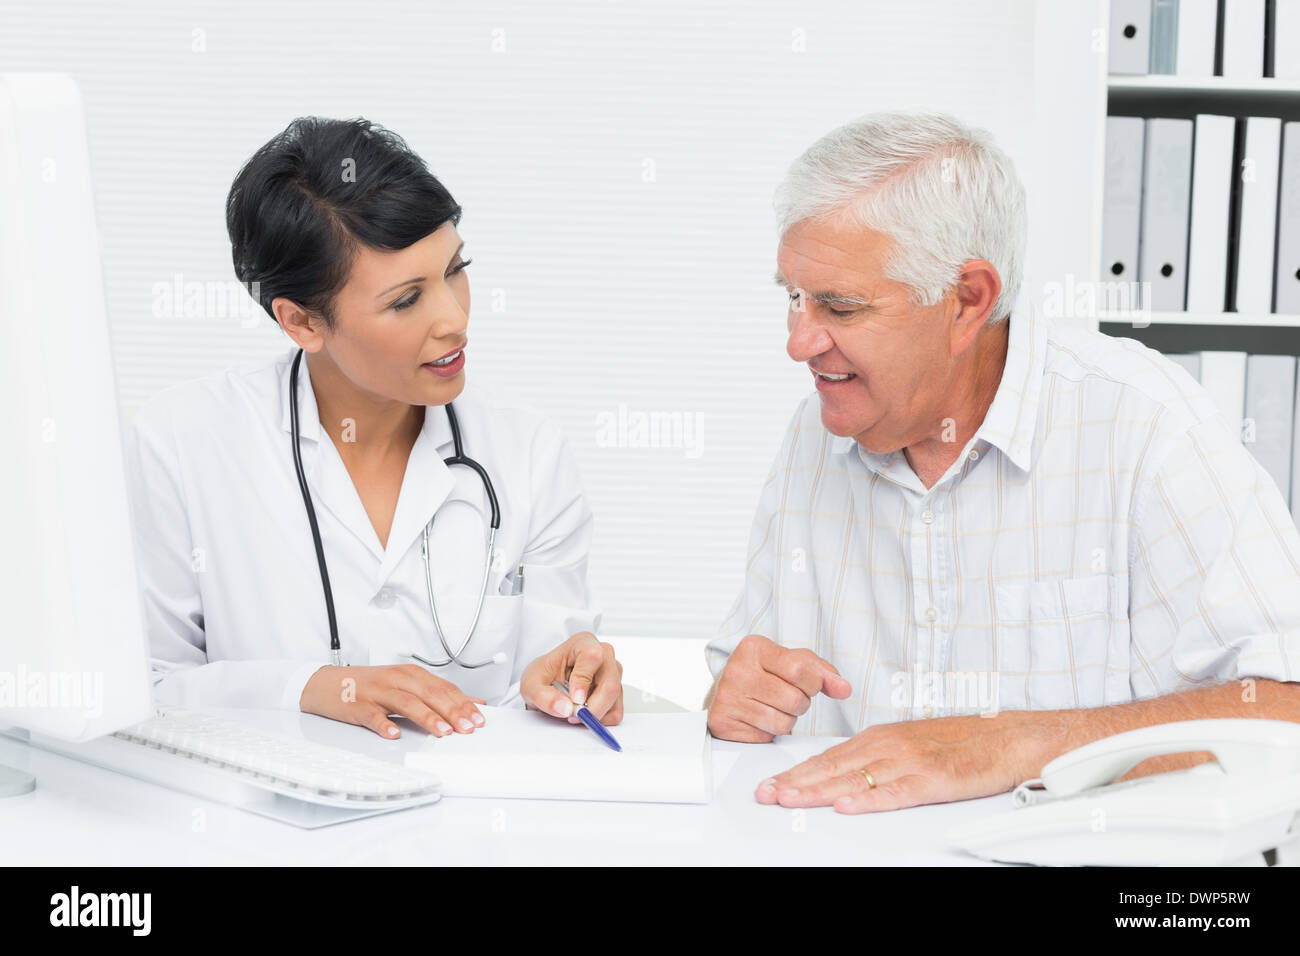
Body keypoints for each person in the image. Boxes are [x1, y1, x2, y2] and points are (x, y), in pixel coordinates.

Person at [705, 110, 1300, 813]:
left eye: (839, 307)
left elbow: (1285, 708)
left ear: (967, 301)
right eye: (795, 299)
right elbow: (753, 700)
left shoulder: (1145, 426)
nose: (800, 342)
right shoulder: (819, 430)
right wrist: (737, 704)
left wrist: (1019, 743)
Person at [124, 116, 622, 740]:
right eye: (406, 299)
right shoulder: (181, 442)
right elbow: (141, 688)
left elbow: (550, 688)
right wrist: (304, 688)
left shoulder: (528, 453)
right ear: (302, 322)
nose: (454, 318)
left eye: (455, 269)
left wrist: (570, 680)